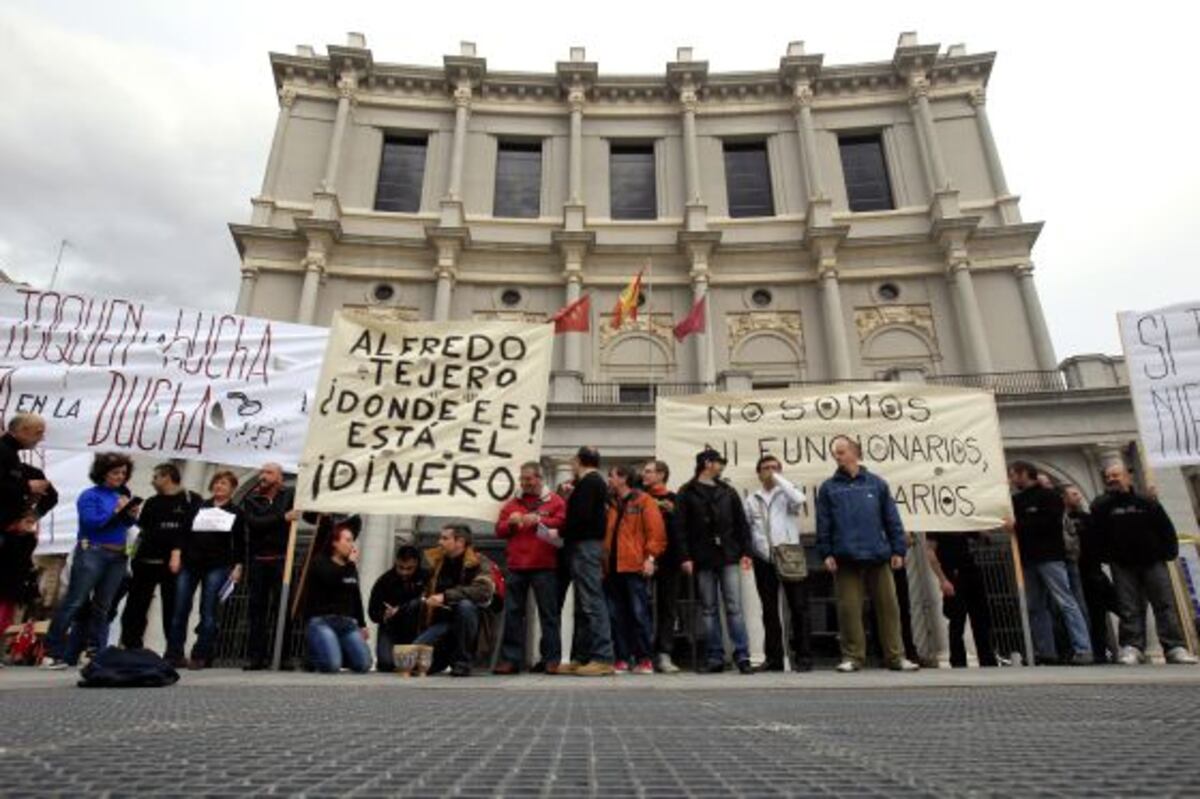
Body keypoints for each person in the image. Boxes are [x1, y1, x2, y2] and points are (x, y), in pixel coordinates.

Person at [815, 436, 918, 673]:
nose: (837, 456)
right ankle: (853, 657)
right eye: (835, 453)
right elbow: (824, 523)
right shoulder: (828, 488)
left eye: (841, 452)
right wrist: (826, 552)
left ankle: (895, 657)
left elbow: (892, 518)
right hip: (845, 556)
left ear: (854, 453)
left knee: (889, 607)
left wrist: (897, 549)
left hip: (878, 555)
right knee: (849, 609)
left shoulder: (877, 484)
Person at [1090, 462, 1198, 666]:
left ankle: (1174, 646)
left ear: (1127, 476)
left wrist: (1169, 552)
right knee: (1128, 607)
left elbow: (1165, 527)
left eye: (1116, 475)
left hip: (1153, 561)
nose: (1112, 479)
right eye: (1108, 476)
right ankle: (1132, 646)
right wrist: (1105, 556)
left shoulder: (1147, 501)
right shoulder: (1101, 505)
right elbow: (1097, 534)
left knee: (1164, 603)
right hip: (1122, 563)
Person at [42, 453, 139, 669]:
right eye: (115, 472)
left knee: (103, 606)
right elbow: (91, 522)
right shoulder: (90, 495)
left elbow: (125, 526)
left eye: (124, 473)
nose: (120, 476)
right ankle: (51, 652)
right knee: (75, 601)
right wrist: (115, 512)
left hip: (118, 555)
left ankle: (95, 651)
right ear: (103, 473)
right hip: (93, 550)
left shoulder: (121, 496)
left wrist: (131, 513)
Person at [1003, 461, 1092, 666]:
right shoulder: (1016, 501)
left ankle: (1083, 648)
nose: (1012, 479)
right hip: (1028, 559)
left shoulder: (1049, 497)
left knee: (1065, 601)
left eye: (1013, 475)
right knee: (1035, 606)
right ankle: (1046, 651)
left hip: (1049, 557)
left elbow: (1048, 523)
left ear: (1024, 474)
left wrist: (1018, 526)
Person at [676, 448, 754, 675]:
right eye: (719, 462)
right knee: (709, 608)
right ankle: (715, 656)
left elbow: (741, 523)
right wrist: (685, 556)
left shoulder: (728, 491)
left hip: (728, 554)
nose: (722, 466)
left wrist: (745, 551)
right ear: (707, 464)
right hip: (702, 556)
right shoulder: (687, 491)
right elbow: (680, 528)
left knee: (734, 606)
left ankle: (742, 655)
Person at [493, 461, 566, 675]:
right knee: (514, 614)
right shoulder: (511, 504)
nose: (525, 483)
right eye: (522, 479)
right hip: (516, 565)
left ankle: (551, 659)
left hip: (545, 566)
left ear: (539, 478)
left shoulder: (555, 501)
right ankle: (511, 660)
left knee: (549, 614)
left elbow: (563, 522)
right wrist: (512, 524)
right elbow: (499, 530)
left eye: (529, 479)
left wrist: (539, 520)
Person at [167, 470, 245, 669]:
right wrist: (176, 554)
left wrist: (238, 566)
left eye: (224, 484)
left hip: (218, 565)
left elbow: (240, 542)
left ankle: (200, 654)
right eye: (217, 483)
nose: (219, 486)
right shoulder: (198, 507)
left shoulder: (236, 512)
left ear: (232, 489)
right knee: (180, 609)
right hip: (190, 563)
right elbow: (183, 532)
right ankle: (174, 654)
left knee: (208, 611)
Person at [744, 454, 813, 672]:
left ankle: (804, 657)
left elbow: (800, 500)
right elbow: (748, 528)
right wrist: (753, 551)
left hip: (790, 555)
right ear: (759, 472)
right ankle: (773, 658)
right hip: (765, 558)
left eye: (775, 467)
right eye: (766, 468)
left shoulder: (787, 494)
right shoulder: (752, 499)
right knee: (769, 610)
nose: (770, 471)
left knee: (798, 607)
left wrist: (780, 479)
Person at [120, 463, 196, 653]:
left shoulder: (191, 499)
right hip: (145, 561)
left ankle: (174, 651)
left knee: (174, 608)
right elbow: (141, 530)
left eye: (155, 477)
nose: (152, 481)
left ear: (167, 477)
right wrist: (132, 556)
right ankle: (132, 646)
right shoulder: (152, 502)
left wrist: (179, 552)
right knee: (136, 605)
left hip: (174, 564)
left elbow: (191, 531)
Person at [557, 446, 616, 677]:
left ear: (578, 461)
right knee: (583, 603)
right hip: (584, 545)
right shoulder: (593, 484)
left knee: (591, 600)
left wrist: (559, 531)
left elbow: (580, 517)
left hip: (585, 545)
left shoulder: (590, 483)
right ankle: (582, 656)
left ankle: (603, 657)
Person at [603, 464, 666, 675]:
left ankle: (644, 658)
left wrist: (650, 558)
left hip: (634, 566)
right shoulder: (611, 503)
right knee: (616, 615)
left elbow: (655, 532)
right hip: (612, 568)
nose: (609, 480)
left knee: (639, 614)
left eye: (611, 475)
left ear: (623, 478)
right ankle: (622, 658)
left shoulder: (644, 500)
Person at [0, 413, 56, 636]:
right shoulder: (4, 452)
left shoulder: (15, 458)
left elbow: (51, 495)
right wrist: (26, 487)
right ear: (21, 430)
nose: (40, 438)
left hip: (14, 538)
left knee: (8, 592)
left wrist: (31, 515)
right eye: (38, 432)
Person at [414, 525, 496, 677]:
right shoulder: (437, 562)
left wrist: (446, 596)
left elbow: (484, 591)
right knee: (415, 663)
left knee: (465, 606)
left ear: (460, 542)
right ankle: (443, 659)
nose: (439, 542)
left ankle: (463, 662)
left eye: (445, 538)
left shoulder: (479, 561)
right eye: (440, 538)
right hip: (442, 622)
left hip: (469, 622)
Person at [240, 462, 299, 670]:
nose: (263, 476)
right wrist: (282, 518)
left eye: (268, 472)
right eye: (262, 472)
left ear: (279, 477)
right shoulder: (250, 499)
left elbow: (305, 514)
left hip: (283, 559)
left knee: (282, 608)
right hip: (258, 560)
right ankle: (256, 656)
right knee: (257, 610)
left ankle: (283, 655)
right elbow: (255, 523)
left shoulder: (290, 495)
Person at [304, 522, 371, 673]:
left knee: (364, 664)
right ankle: (313, 656)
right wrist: (350, 565)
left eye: (352, 540)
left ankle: (339, 650)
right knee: (332, 665)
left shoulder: (350, 568)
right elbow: (332, 580)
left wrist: (362, 624)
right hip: (322, 621)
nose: (351, 545)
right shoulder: (320, 562)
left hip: (347, 624)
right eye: (347, 540)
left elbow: (355, 595)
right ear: (335, 542)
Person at [1063, 484, 1118, 663]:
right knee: (1087, 613)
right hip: (1076, 571)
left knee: (1103, 611)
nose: (1078, 497)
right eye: (1073, 494)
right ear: (1064, 498)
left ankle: (1103, 650)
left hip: (1094, 571)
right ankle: (1093, 651)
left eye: (1078, 493)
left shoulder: (1088, 518)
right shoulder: (1063, 520)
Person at [926, 532, 997, 668]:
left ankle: (987, 659)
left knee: (981, 618)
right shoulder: (935, 523)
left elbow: (983, 536)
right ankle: (958, 662)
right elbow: (930, 551)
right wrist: (943, 580)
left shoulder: (962, 519)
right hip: (952, 574)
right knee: (957, 620)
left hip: (971, 571)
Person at [641, 459, 684, 673]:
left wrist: (672, 512)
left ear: (661, 474)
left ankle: (664, 653)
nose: (644, 475)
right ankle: (642, 653)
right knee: (641, 605)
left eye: (648, 472)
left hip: (670, 559)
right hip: (644, 558)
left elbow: (683, 530)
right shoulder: (639, 497)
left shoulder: (675, 499)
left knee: (668, 606)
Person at [368, 545, 427, 672]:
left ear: (416, 563)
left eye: (409, 568)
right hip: (391, 628)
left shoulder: (425, 577)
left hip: (417, 627)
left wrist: (400, 610)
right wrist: (384, 615)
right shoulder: (385, 580)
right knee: (386, 664)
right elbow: (372, 612)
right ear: (396, 562)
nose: (404, 572)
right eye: (401, 567)